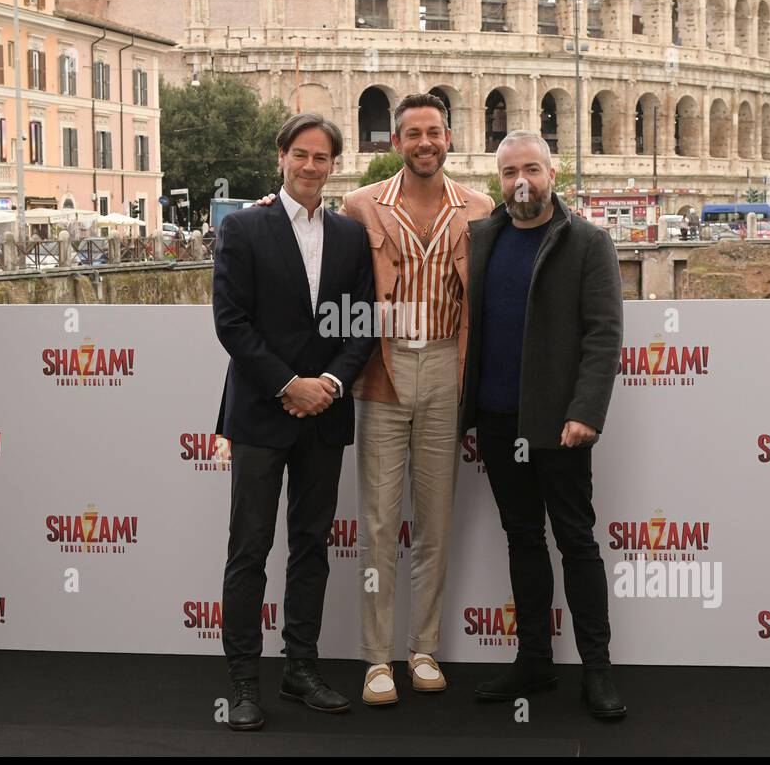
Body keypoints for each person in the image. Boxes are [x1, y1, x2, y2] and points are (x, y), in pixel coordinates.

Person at [212, 113, 377, 732]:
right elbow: (232, 323)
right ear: (282, 157)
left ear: (334, 165)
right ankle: (243, 681)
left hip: (324, 416)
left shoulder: (350, 236)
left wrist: (328, 385)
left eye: (323, 158)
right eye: (301, 155)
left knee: (311, 546)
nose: (311, 167)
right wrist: (289, 385)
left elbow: (359, 322)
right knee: (249, 549)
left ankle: (300, 668)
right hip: (260, 412)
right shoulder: (244, 228)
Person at [459, 130, 627, 719]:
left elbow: (604, 335)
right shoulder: (483, 238)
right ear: (498, 180)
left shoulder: (587, 242)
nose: (520, 181)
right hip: (499, 422)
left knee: (577, 543)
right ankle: (535, 659)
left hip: (559, 426)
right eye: (508, 172)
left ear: (552, 174)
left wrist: (585, 411)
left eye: (530, 168)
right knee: (523, 540)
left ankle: (597, 671)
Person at [338, 93, 493, 705]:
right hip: (384, 367)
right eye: (413, 134)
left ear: (448, 138)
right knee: (378, 522)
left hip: (447, 369)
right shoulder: (359, 206)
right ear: (395, 142)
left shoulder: (479, 208)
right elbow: (324, 260)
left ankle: (423, 648)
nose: (425, 143)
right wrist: (271, 203)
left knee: (434, 518)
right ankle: (377, 658)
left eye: (434, 132)